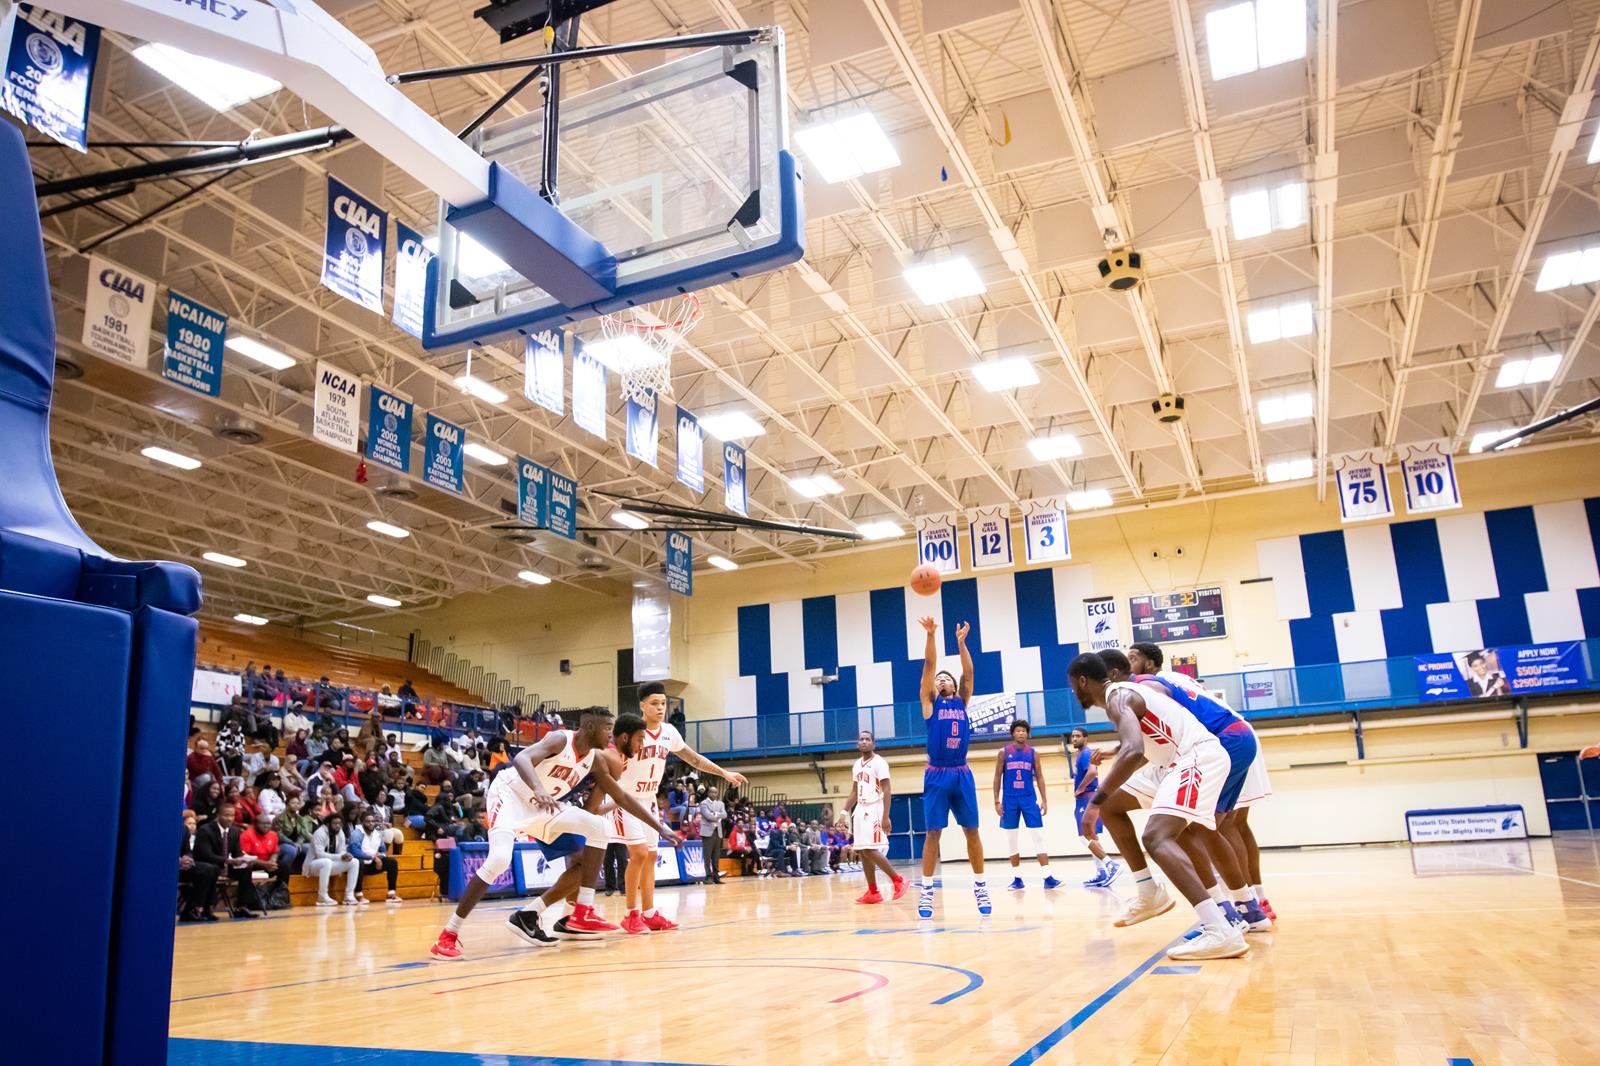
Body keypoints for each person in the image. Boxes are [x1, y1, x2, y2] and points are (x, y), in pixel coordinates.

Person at [431, 707, 684, 960]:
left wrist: (659, 826)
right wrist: (538, 788)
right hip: (511, 796)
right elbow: (521, 759)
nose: (611, 733)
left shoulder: (594, 759)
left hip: (544, 806)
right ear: (591, 728)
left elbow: (621, 796)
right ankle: (448, 935)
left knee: (601, 827)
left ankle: (582, 909)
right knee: (498, 860)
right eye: (607, 727)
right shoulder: (561, 739)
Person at [1070, 653, 1248, 961]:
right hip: (1171, 763)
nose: (1074, 692)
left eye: (1074, 686)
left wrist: (1093, 804)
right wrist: (1105, 800)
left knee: (1156, 837)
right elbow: (1145, 748)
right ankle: (1148, 891)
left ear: (1083, 681)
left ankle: (1220, 929)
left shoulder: (1119, 696)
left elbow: (1133, 750)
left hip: (1196, 757)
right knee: (1115, 805)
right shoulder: (1129, 695)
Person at [1124, 643, 1272, 931]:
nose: (1129, 664)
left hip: (1218, 742)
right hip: (1238, 735)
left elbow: (1169, 728)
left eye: (1133, 658)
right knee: (1221, 826)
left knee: (1192, 827)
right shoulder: (1176, 678)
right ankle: (1250, 906)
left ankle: (1228, 911)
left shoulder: (1146, 685)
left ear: (1150, 664)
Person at [608, 682, 747, 935]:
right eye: (654, 703)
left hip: (649, 799)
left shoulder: (669, 732)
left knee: (650, 856)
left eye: (663, 703)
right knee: (638, 854)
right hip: (626, 798)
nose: (660, 708)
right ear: (642, 705)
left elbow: (693, 758)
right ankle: (630, 914)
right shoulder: (630, 731)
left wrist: (724, 773)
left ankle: (649, 913)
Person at [914, 616, 988, 918]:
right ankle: (927, 890)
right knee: (933, 833)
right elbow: (929, 666)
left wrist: (961, 644)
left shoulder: (962, 701)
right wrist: (932, 635)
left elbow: (969, 673)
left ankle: (981, 885)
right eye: (939, 679)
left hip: (961, 772)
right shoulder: (930, 704)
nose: (942, 679)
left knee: (972, 830)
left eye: (948, 678)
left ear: (955, 686)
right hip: (936, 774)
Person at [993, 719, 1061, 891]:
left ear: (1027, 733)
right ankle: (1017, 879)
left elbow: (1040, 776)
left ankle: (1048, 877)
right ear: (1013, 733)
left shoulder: (1033, 753)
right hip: (1009, 800)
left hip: (1029, 799)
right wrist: (996, 800)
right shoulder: (1003, 752)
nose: (1021, 733)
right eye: (1018, 731)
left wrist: (1044, 799)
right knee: (1012, 839)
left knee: (1038, 836)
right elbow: (997, 777)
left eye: (1024, 731)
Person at [844, 730, 905, 903]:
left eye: (867, 739)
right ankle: (873, 891)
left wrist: (886, 817)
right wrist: (843, 813)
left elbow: (887, 790)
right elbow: (854, 792)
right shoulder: (857, 765)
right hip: (860, 809)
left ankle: (898, 880)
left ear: (873, 743)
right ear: (858, 743)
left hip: (874, 809)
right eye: (861, 739)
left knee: (870, 848)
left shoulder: (879, 763)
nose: (864, 742)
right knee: (862, 850)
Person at [1066, 727, 1121, 887]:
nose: (1074, 739)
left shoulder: (1085, 754)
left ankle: (1111, 865)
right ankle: (1101, 872)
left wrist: (1080, 788)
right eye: (1073, 736)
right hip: (1086, 799)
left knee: (1084, 837)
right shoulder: (1081, 755)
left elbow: (1092, 772)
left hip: (1087, 798)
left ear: (1085, 738)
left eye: (1077, 736)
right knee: (1091, 836)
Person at [194, 803, 260, 918]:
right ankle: (207, 908)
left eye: (232, 816)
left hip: (225, 865)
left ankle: (241, 907)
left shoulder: (234, 831)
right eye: (226, 815)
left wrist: (244, 860)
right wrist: (229, 861)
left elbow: (237, 854)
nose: (230, 818)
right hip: (207, 865)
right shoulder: (205, 830)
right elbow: (206, 854)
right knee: (212, 869)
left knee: (246, 869)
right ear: (218, 815)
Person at [306, 811, 363, 906]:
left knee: (354, 862)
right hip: (313, 865)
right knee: (326, 862)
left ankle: (349, 895)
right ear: (328, 824)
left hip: (330, 864)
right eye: (335, 823)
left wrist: (346, 855)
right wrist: (340, 857)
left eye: (340, 824)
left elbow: (341, 850)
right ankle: (322, 896)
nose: (338, 826)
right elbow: (319, 854)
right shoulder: (319, 833)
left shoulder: (340, 833)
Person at [240, 811, 294, 902]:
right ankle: (248, 900)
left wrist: (272, 861)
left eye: (269, 824)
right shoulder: (246, 835)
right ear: (255, 824)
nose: (266, 826)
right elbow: (245, 857)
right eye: (263, 824)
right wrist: (265, 864)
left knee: (284, 866)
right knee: (247, 869)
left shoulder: (273, 835)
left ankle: (279, 895)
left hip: (267, 863)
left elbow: (275, 851)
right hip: (253, 864)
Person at [350, 811, 402, 903]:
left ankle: (391, 894)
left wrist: (380, 857)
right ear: (362, 823)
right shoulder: (356, 833)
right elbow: (355, 852)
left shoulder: (378, 834)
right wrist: (373, 857)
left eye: (373, 821)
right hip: (359, 866)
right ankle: (358, 894)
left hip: (374, 864)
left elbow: (384, 851)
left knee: (392, 862)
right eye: (368, 821)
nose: (371, 823)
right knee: (359, 862)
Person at [178, 810, 220, 922]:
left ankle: (203, 907)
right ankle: (194, 908)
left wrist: (188, 858)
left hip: (182, 868)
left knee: (212, 868)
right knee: (206, 869)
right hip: (167, 867)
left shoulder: (183, 830)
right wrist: (178, 860)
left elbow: (187, 851)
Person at [274, 792, 317, 873]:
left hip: (297, 843)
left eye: (298, 803)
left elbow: (303, 833)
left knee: (311, 848)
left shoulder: (300, 818)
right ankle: (283, 872)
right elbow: (279, 835)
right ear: (287, 804)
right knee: (292, 850)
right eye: (293, 803)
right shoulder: (279, 818)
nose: (296, 805)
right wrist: (293, 843)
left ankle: (306, 872)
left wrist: (299, 843)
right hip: (281, 843)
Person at [698, 786, 727, 884]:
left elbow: (725, 815)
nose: (713, 794)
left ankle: (716, 877)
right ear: (708, 793)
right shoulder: (703, 803)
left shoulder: (721, 803)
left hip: (718, 832)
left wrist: (715, 813)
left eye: (715, 792)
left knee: (716, 856)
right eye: (711, 792)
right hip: (707, 832)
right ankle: (708, 877)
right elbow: (708, 816)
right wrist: (718, 815)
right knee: (707, 856)